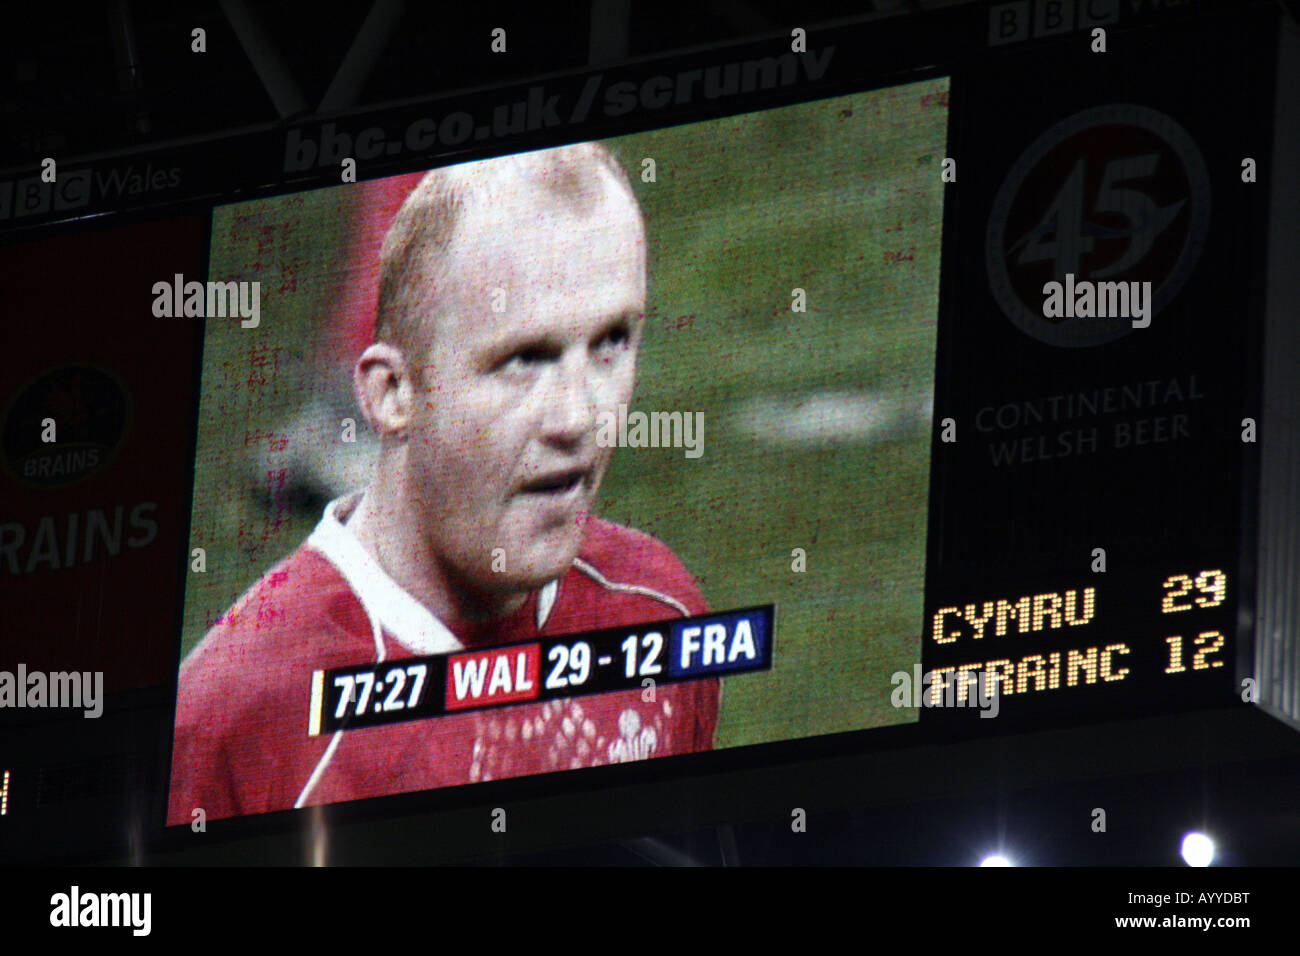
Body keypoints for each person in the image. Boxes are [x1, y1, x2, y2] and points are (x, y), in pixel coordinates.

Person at [168, 143, 720, 824]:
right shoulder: (234, 720)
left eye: (610, 343)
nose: (580, 418)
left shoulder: (657, 609)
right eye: (524, 359)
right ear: (393, 392)